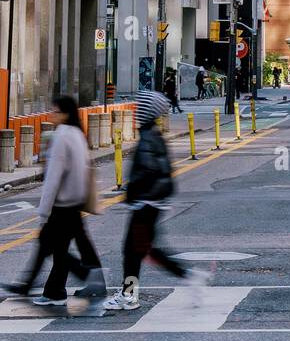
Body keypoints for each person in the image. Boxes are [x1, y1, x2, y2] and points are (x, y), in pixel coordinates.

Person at [103, 91, 206, 312]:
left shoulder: (149, 137)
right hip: (149, 203)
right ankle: (188, 276)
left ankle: (130, 295)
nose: (136, 110)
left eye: (140, 106)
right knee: (143, 250)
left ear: (147, 111)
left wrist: (134, 195)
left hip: (145, 204)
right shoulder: (152, 134)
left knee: (134, 251)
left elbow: (148, 172)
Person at [2, 96, 105, 306]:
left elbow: (53, 177)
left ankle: (66, 286)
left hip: (62, 203)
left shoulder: (62, 135)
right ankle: (45, 287)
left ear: (65, 114)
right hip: (74, 201)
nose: (51, 115)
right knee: (56, 246)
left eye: (55, 111)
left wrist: (44, 210)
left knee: (54, 247)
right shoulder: (77, 133)